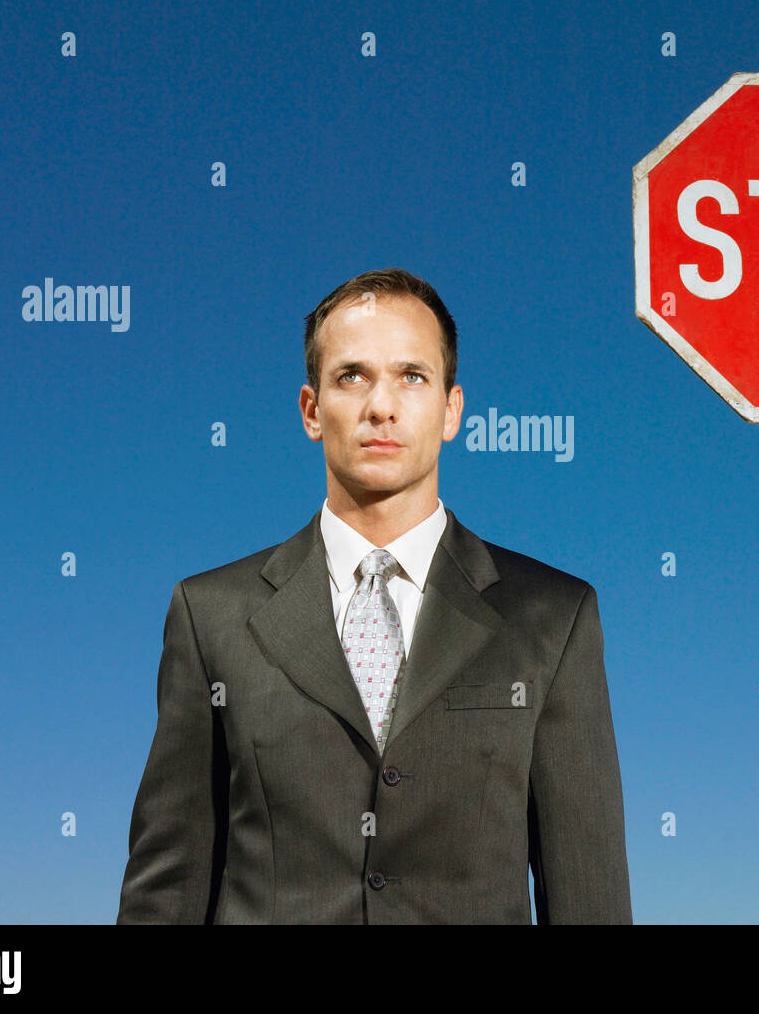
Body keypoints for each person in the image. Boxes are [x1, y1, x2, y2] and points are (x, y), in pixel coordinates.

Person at [116, 268, 632, 924]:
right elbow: (166, 890)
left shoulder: (553, 618)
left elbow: (591, 898)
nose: (380, 406)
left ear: (451, 409)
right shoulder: (210, 614)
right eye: (352, 375)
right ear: (311, 410)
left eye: (411, 376)